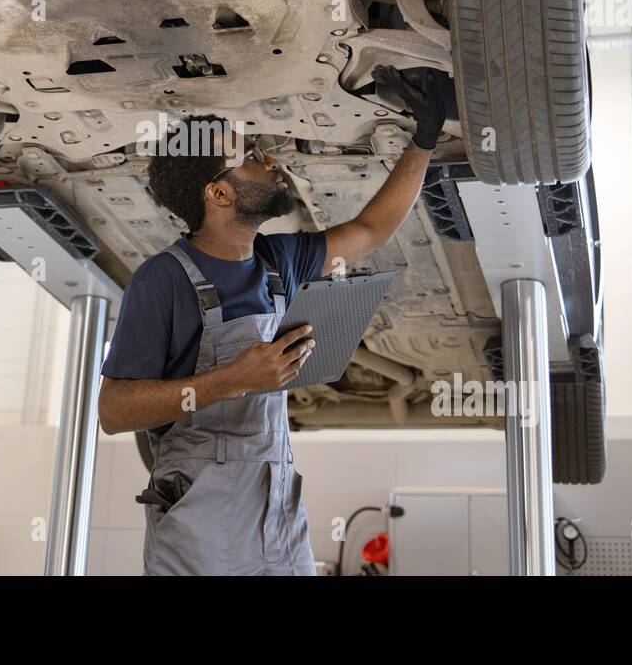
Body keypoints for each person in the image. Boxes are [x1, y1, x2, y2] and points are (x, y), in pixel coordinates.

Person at [97, 66, 447, 575]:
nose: (270, 161)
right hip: (202, 515)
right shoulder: (162, 280)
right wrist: (231, 380)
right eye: (251, 157)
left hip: (278, 502)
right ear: (218, 194)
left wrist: (426, 137)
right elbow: (113, 411)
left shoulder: (275, 260)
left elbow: (371, 231)